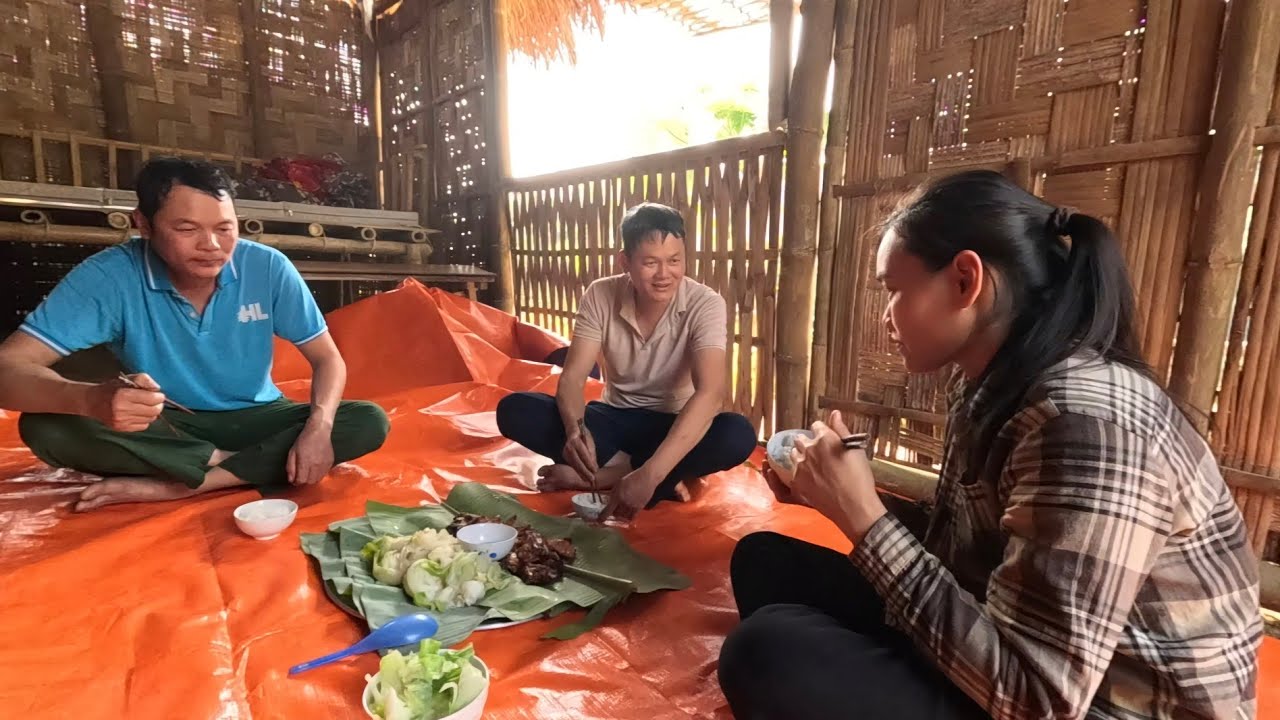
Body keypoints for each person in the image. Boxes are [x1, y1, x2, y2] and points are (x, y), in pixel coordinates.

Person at [718, 171, 1261, 719]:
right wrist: (832, 498)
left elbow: (1040, 698)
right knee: (765, 561)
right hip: (1010, 642)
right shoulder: (994, 385)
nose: (886, 316)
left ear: (964, 280)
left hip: (1093, 705)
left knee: (766, 652)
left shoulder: (1086, 424)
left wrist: (863, 517)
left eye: (895, 290)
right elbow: (962, 552)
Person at [0, 157, 389, 512]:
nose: (212, 246)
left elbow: (328, 358)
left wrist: (319, 429)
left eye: (225, 228)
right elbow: (8, 368)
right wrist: (89, 399)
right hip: (166, 422)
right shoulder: (108, 277)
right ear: (144, 225)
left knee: (367, 420)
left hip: (259, 415)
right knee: (43, 426)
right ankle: (232, 461)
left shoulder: (267, 267)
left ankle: (191, 482)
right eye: (187, 229)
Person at [495, 202, 757, 521]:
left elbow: (710, 393)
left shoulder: (706, 304)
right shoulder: (600, 294)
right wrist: (576, 432)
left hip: (672, 423)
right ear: (625, 262)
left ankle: (615, 477)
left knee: (736, 434)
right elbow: (573, 378)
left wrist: (651, 473)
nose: (665, 275)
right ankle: (652, 477)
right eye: (650, 263)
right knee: (516, 409)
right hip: (614, 418)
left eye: (674, 261)